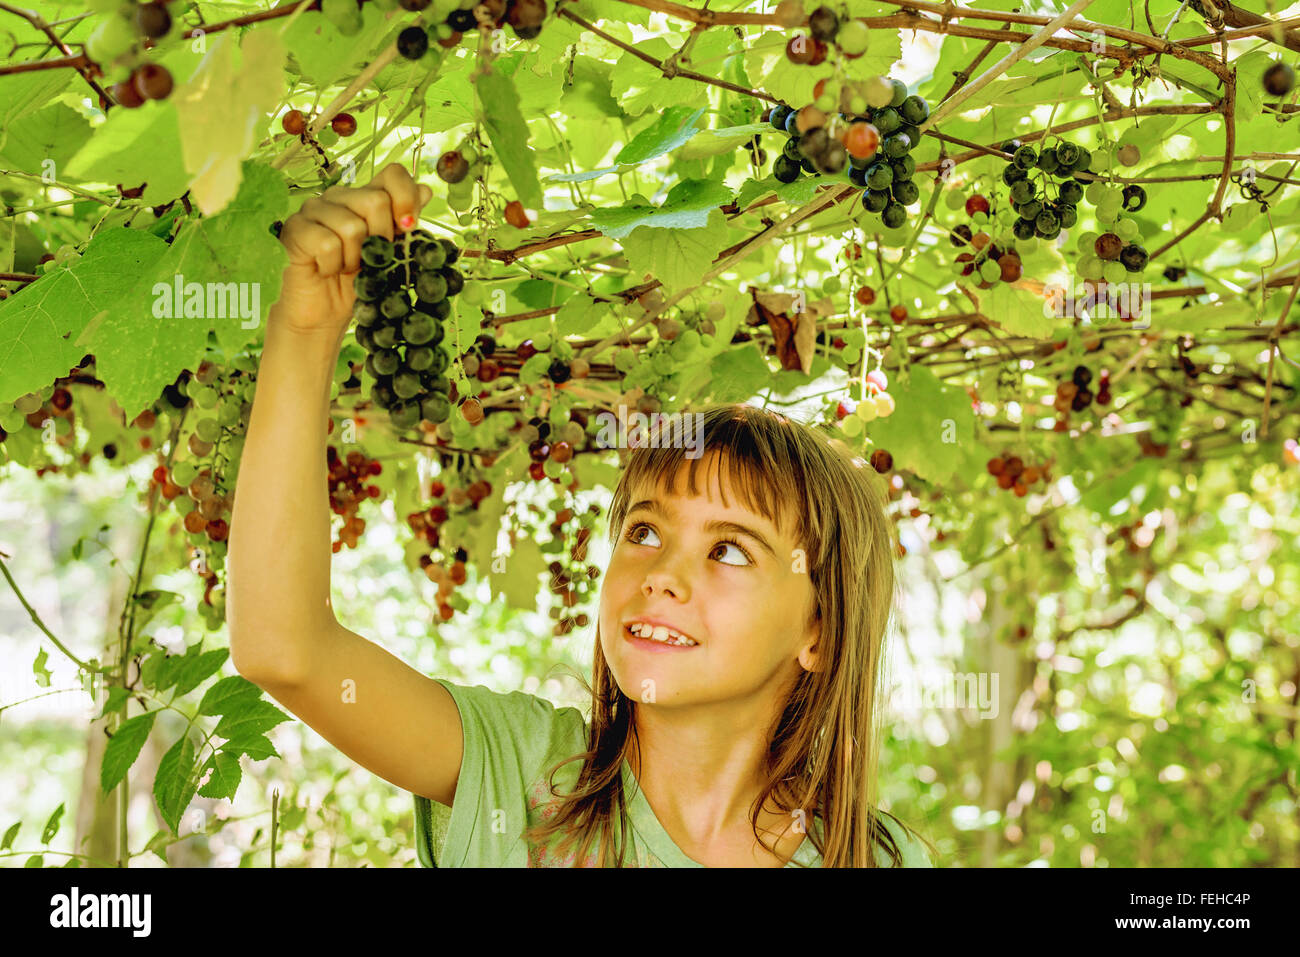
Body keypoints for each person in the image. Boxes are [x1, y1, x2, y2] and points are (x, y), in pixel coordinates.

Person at [228, 163, 934, 868]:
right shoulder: (522, 774)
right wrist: (304, 329)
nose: (660, 574)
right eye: (646, 530)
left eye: (729, 549)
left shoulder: (876, 858)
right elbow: (282, 649)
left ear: (818, 628)